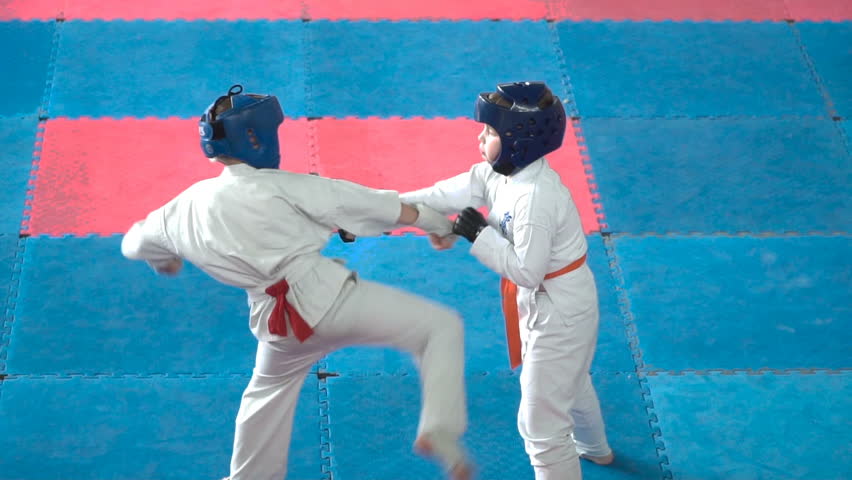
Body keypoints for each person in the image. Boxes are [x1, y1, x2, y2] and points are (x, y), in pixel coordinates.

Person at [120, 85, 472, 480]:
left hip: (277, 325)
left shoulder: (183, 208)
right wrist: (438, 224)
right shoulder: (288, 187)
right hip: (332, 303)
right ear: (258, 138)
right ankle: (438, 430)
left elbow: (133, 242)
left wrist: (162, 259)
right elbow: (383, 206)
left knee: (266, 396)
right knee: (440, 327)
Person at [401, 81, 613, 480]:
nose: (480, 139)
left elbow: (527, 272)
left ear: (520, 140)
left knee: (540, 426)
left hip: (558, 306)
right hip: (553, 302)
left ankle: (585, 450)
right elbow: (440, 195)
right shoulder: (499, 175)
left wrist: (478, 235)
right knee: (572, 379)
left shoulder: (534, 198)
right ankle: (595, 449)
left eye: (491, 132)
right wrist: (379, 206)